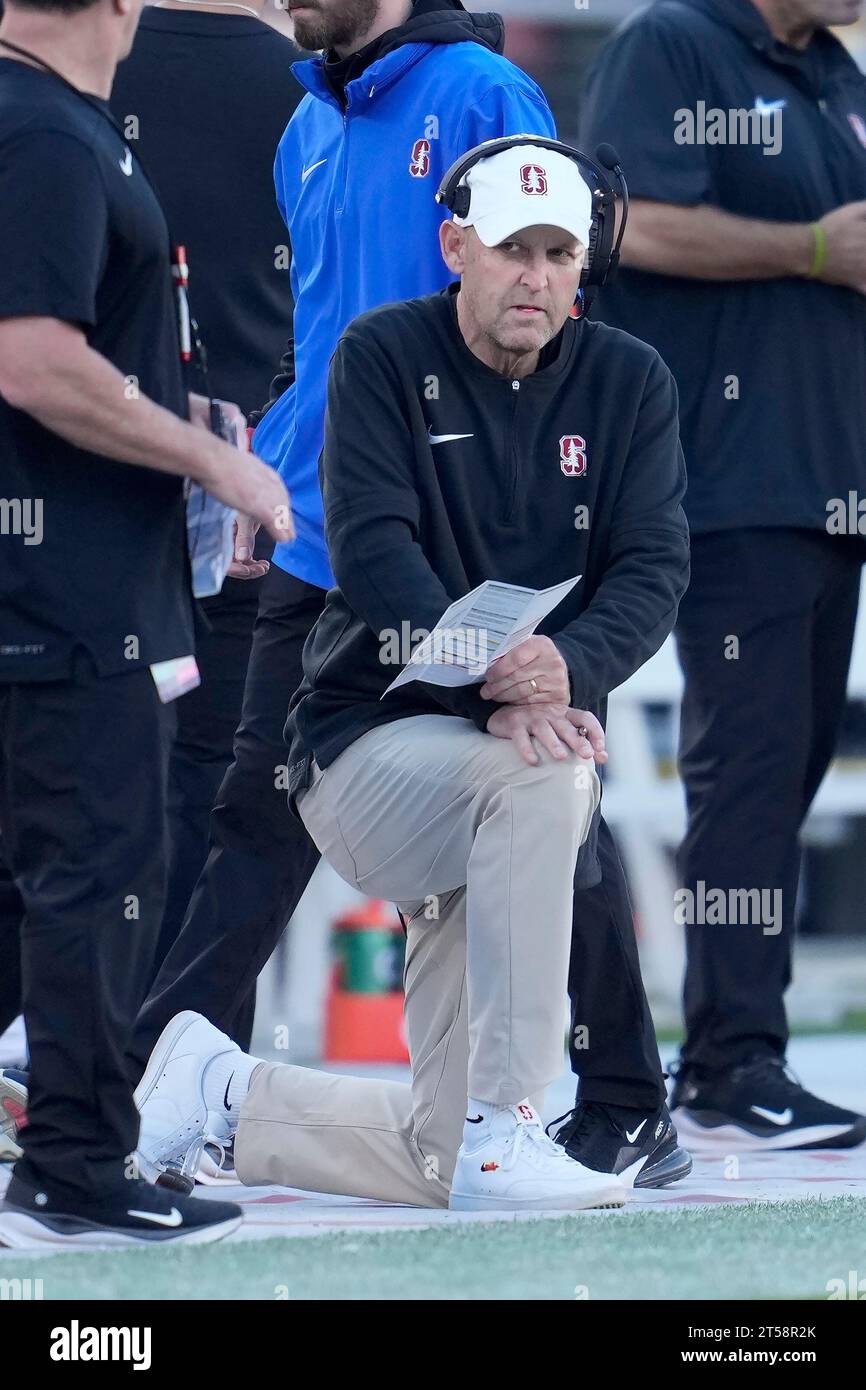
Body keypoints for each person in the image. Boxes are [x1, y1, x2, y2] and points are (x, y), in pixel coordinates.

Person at [126, 0, 688, 1190]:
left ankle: (611, 1099)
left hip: (461, 549)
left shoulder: (480, 91)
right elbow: (313, 339)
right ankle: (159, 1078)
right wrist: (263, 473)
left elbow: (548, 287)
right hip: (327, 537)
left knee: (533, 791)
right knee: (260, 815)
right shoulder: (306, 126)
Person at [0, 0, 291, 1247]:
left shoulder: (57, 125)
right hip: (67, 595)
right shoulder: (46, 135)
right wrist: (216, 463)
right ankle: (72, 1163)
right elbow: (35, 360)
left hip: (63, 580)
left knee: (43, 880)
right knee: (101, 873)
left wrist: (188, 425)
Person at [580, 0, 866, 1150]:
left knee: (786, 767)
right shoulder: (669, 46)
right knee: (744, 771)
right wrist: (805, 249)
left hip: (825, 477)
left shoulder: (827, 68)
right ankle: (731, 1060)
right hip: (735, 478)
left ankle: (733, 1049)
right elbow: (620, 223)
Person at [108, 0, 302, 1046]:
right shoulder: (312, 93)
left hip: (87, 489)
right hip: (258, 497)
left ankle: (79, 1068)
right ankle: (182, 1076)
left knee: (84, 799)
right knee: (222, 794)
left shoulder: (80, 74)